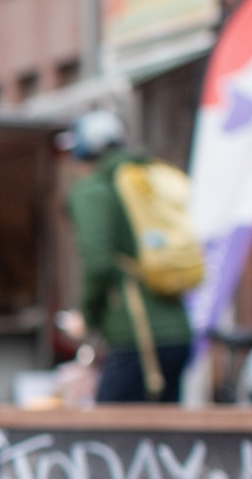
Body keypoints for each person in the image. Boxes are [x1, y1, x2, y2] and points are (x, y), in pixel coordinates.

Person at [62, 108, 191, 402]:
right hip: (178, 330)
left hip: (137, 336)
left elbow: (97, 263)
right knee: (165, 435)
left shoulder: (94, 190)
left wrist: (88, 317)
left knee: (113, 435)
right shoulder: (149, 176)